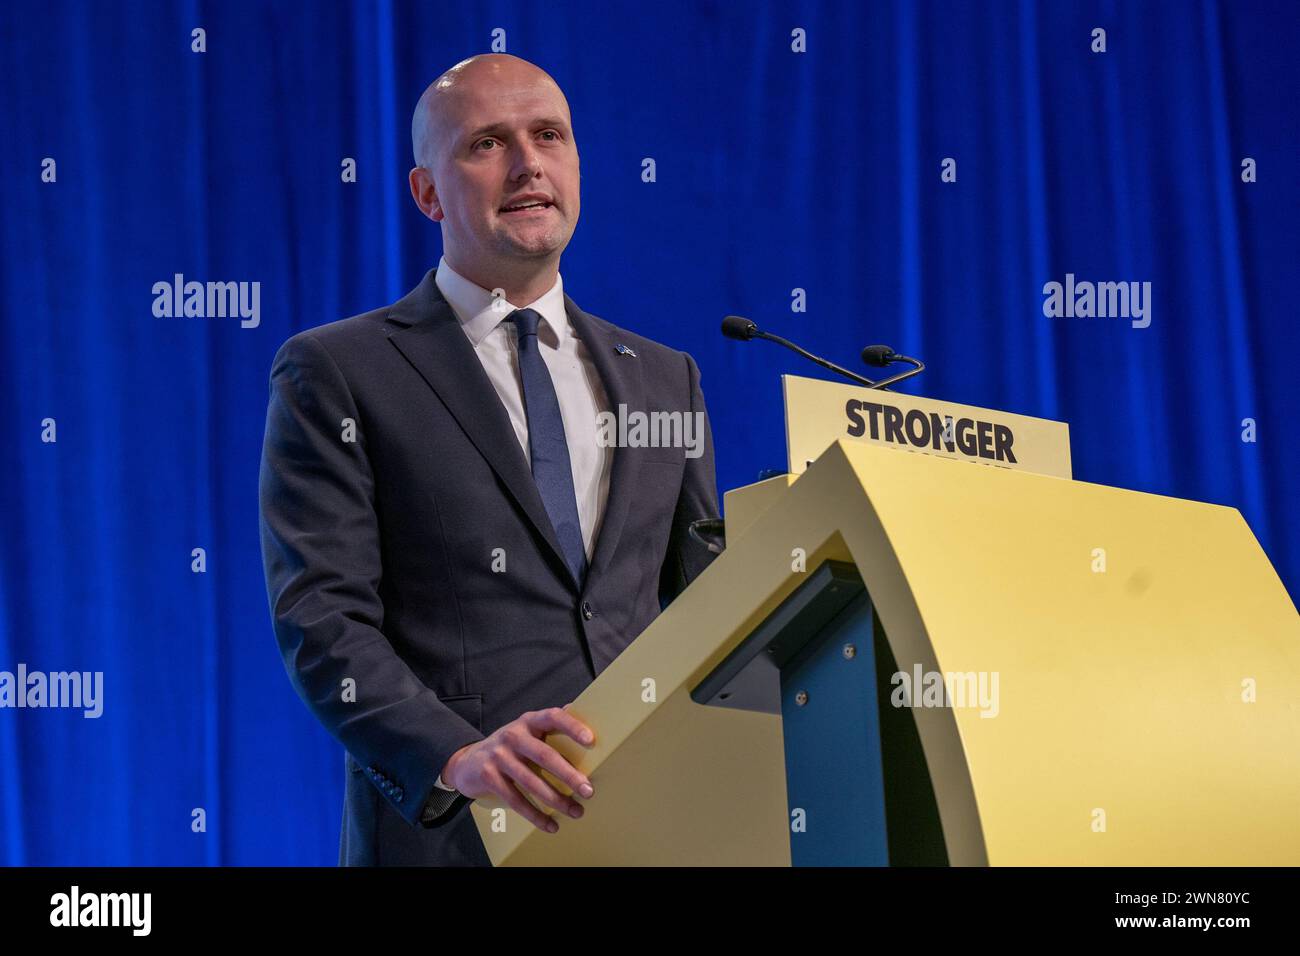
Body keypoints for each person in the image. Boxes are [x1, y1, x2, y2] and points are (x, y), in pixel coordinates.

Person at [258, 53, 720, 866]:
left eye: (549, 136)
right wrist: (455, 757)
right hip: (452, 838)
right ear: (428, 192)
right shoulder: (339, 372)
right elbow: (322, 618)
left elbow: (701, 600)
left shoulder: (664, 378)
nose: (528, 164)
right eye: (486, 144)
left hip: (653, 829)